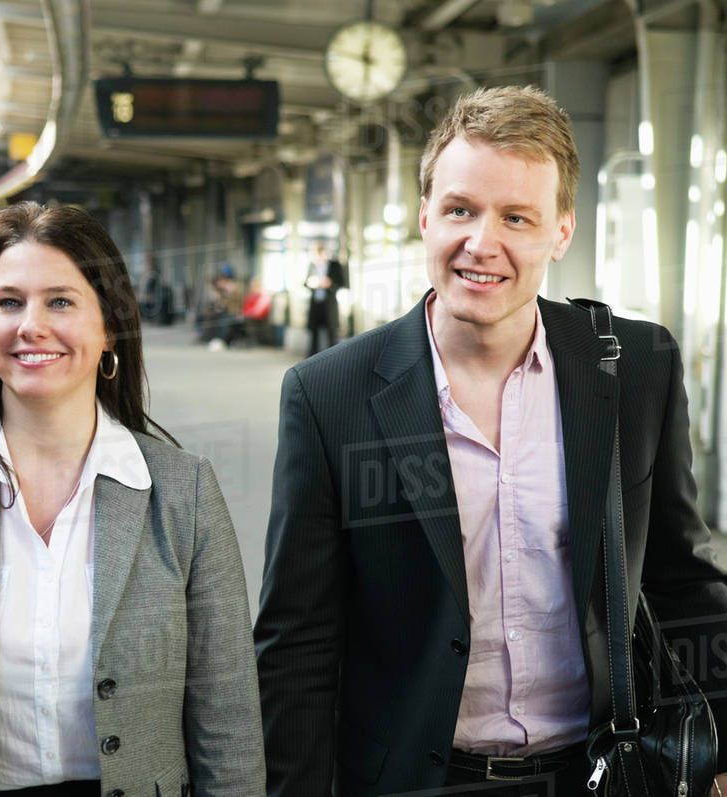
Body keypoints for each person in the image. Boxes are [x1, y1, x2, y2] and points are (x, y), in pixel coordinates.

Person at [254, 86, 727, 796]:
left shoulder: (634, 369)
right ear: (425, 217)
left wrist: (720, 746)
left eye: (516, 217)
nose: (483, 243)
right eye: (460, 210)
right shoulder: (331, 395)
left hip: (599, 772)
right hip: (415, 779)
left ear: (560, 231)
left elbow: (681, 576)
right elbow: (298, 641)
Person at [0, 202, 264, 797]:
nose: (30, 325)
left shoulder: (182, 492)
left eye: (60, 301)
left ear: (108, 326)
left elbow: (228, 723)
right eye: (8, 302)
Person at [303, 244, 346, 357]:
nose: (316, 259)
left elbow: (342, 282)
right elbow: (305, 283)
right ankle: (311, 359)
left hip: (329, 305)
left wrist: (329, 283)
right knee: (314, 334)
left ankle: (333, 358)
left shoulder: (334, 265)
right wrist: (310, 283)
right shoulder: (312, 266)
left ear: (323, 254)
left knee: (332, 333)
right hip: (316, 304)